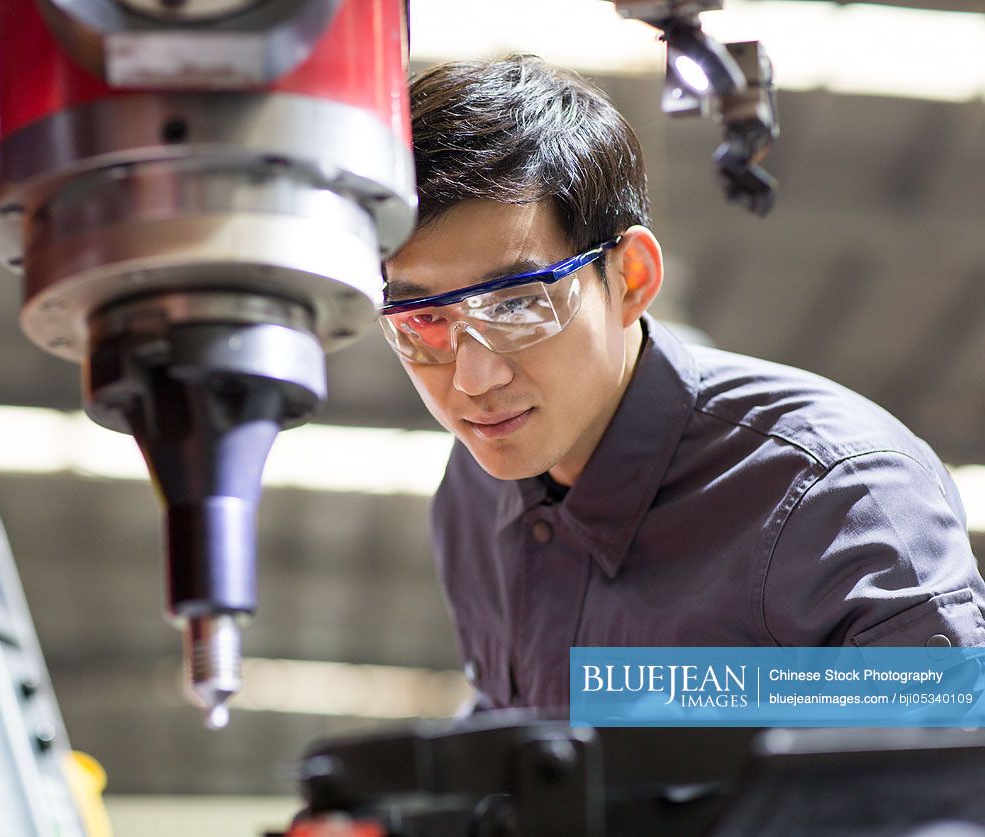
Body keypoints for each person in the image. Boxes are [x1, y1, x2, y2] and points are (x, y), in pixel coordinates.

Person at [379, 54, 985, 709]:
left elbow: (947, 754)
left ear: (631, 278)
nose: (473, 379)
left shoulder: (836, 499)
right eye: (422, 320)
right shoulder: (474, 494)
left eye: (518, 304)